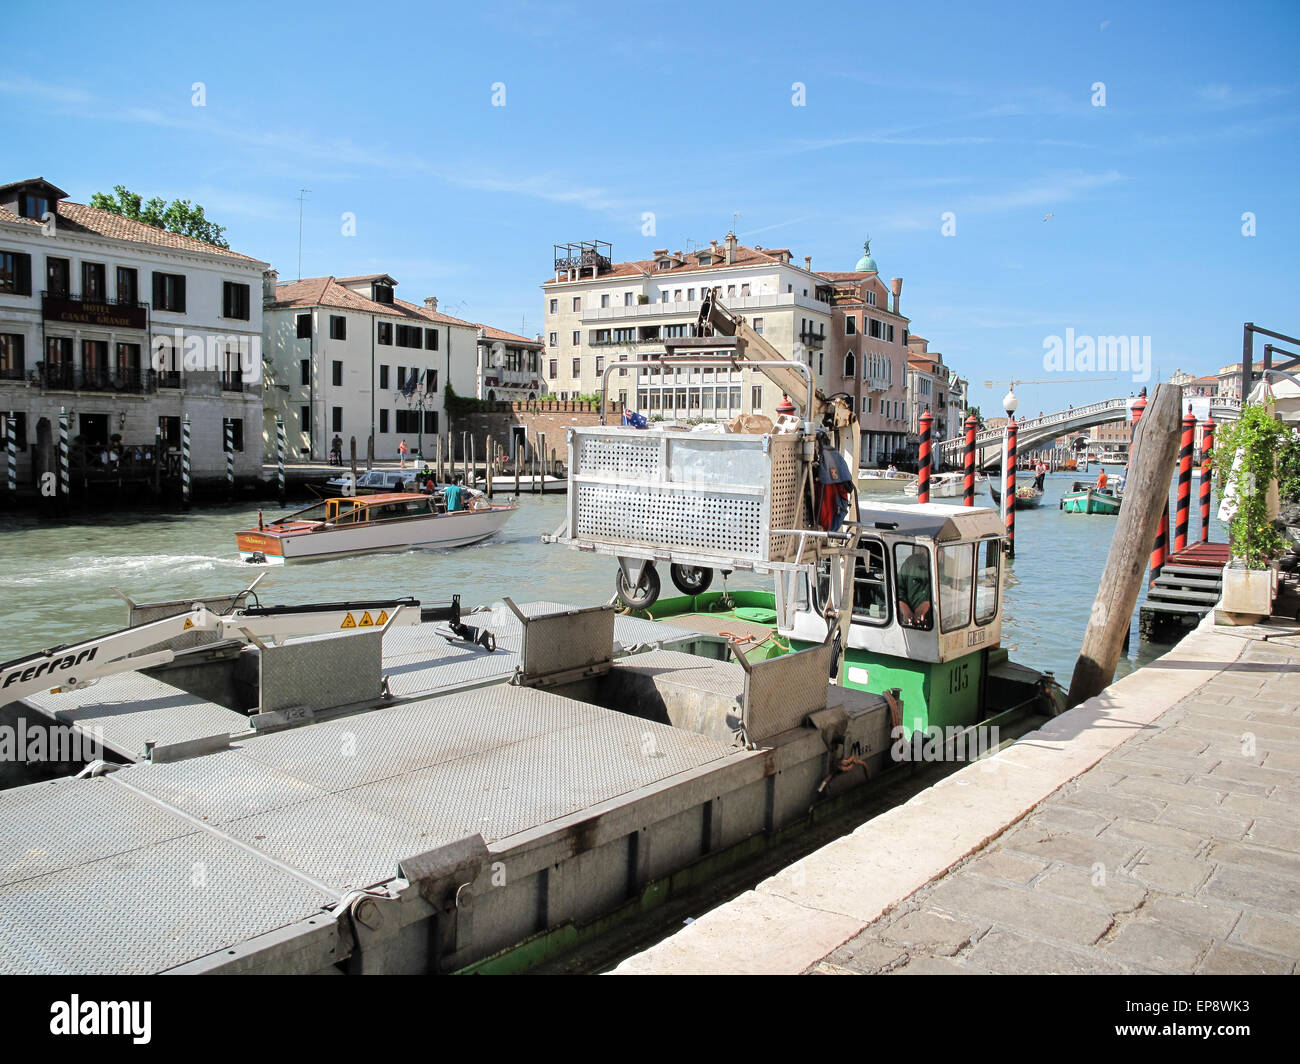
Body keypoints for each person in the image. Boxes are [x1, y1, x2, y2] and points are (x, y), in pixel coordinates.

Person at [896, 546, 932, 630]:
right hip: (906, 625)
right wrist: (904, 608)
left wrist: (929, 602)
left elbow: (955, 592)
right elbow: (897, 587)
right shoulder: (911, 562)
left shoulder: (951, 565)